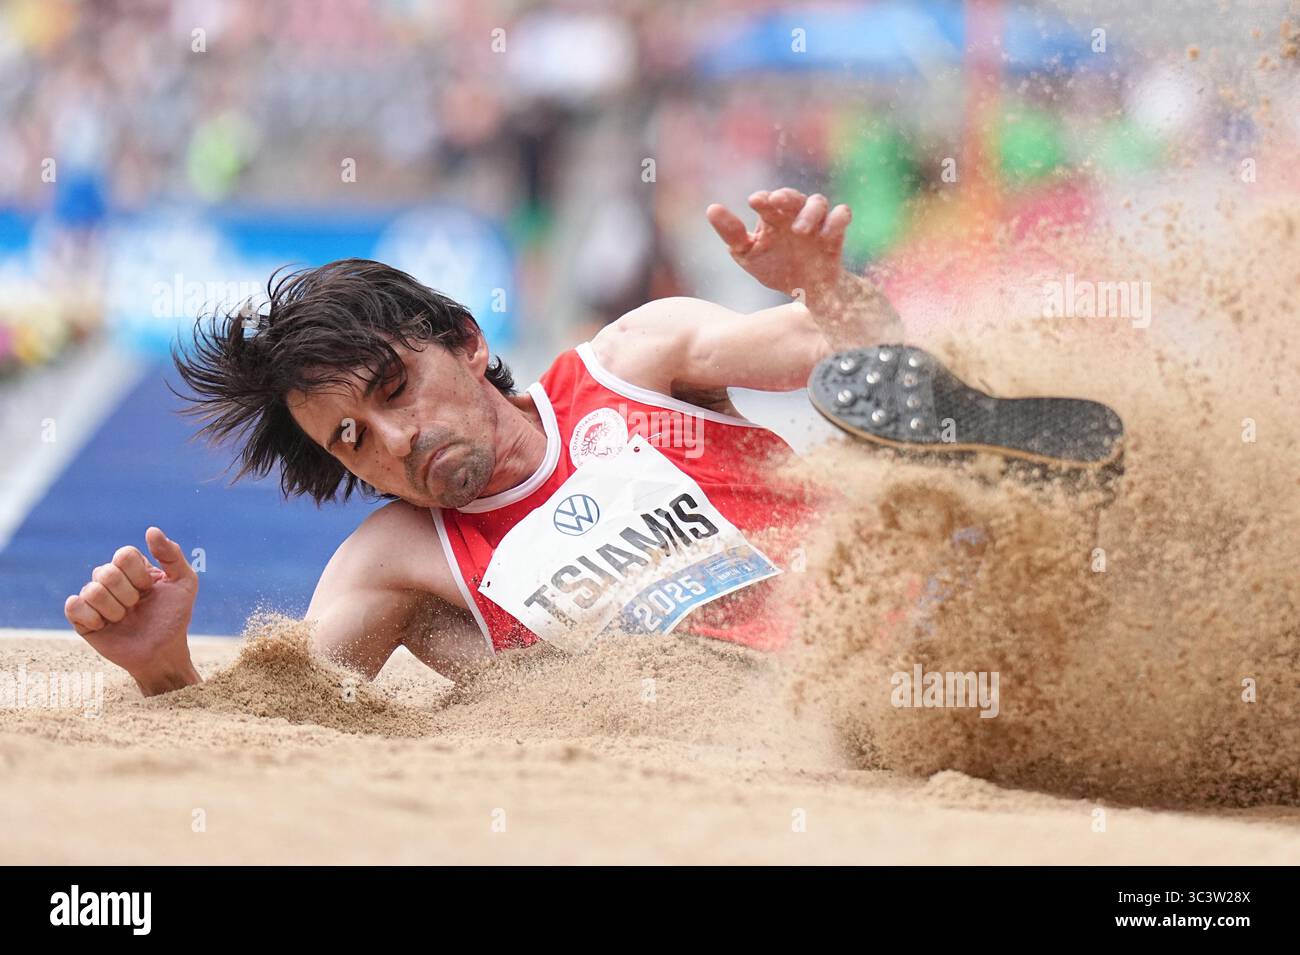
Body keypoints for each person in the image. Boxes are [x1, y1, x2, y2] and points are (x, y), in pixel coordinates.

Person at [62, 188, 1122, 695]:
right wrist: (161, 667)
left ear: (468, 344)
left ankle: (994, 491)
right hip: (813, 712)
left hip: (923, 611)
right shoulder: (399, 559)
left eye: (393, 387)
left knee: (863, 379)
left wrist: (824, 288)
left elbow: (830, 345)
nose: (393, 439)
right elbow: (282, 718)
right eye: (353, 440)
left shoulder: (632, 358)